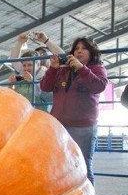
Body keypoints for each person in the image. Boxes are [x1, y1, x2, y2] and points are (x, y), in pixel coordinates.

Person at [40, 36, 108, 184]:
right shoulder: (63, 69)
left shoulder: (98, 68)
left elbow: (99, 86)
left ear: (92, 52)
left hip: (83, 127)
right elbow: (45, 87)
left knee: (83, 165)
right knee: (58, 164)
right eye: (77, 49)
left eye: (84, 48)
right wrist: (53, 68)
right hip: (59, 125)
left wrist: (82, 69)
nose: (79, 51)